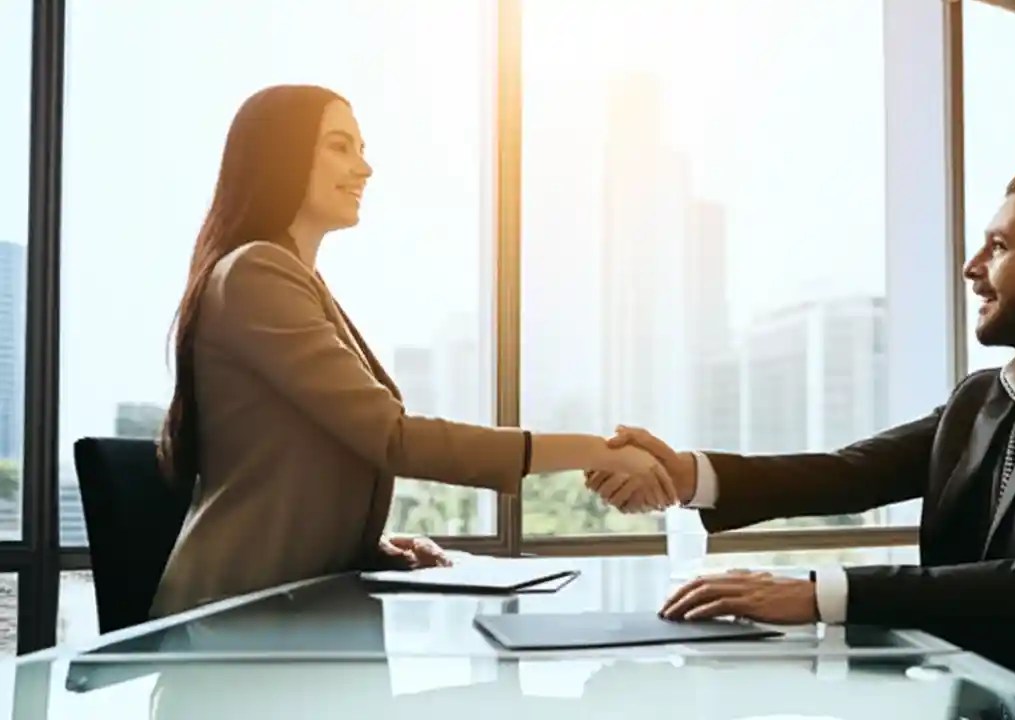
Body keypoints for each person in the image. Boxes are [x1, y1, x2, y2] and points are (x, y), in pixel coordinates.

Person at [591, 163, 1015, 717]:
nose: (972, 268)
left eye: (997, 247)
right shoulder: (982, 397)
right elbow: (852, 472)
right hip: (966, 690)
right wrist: (688, 474)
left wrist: (819, 593)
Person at [151, 84, 675, 618]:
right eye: (340, 146)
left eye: (360, 148)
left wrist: (369, 545)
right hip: (231, 620)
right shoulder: (257, 274)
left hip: (293, 610)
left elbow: (305, 462)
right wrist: (593, 450)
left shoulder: (294, 279)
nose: (364, 168)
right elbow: (392, 437)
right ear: (280, 155)